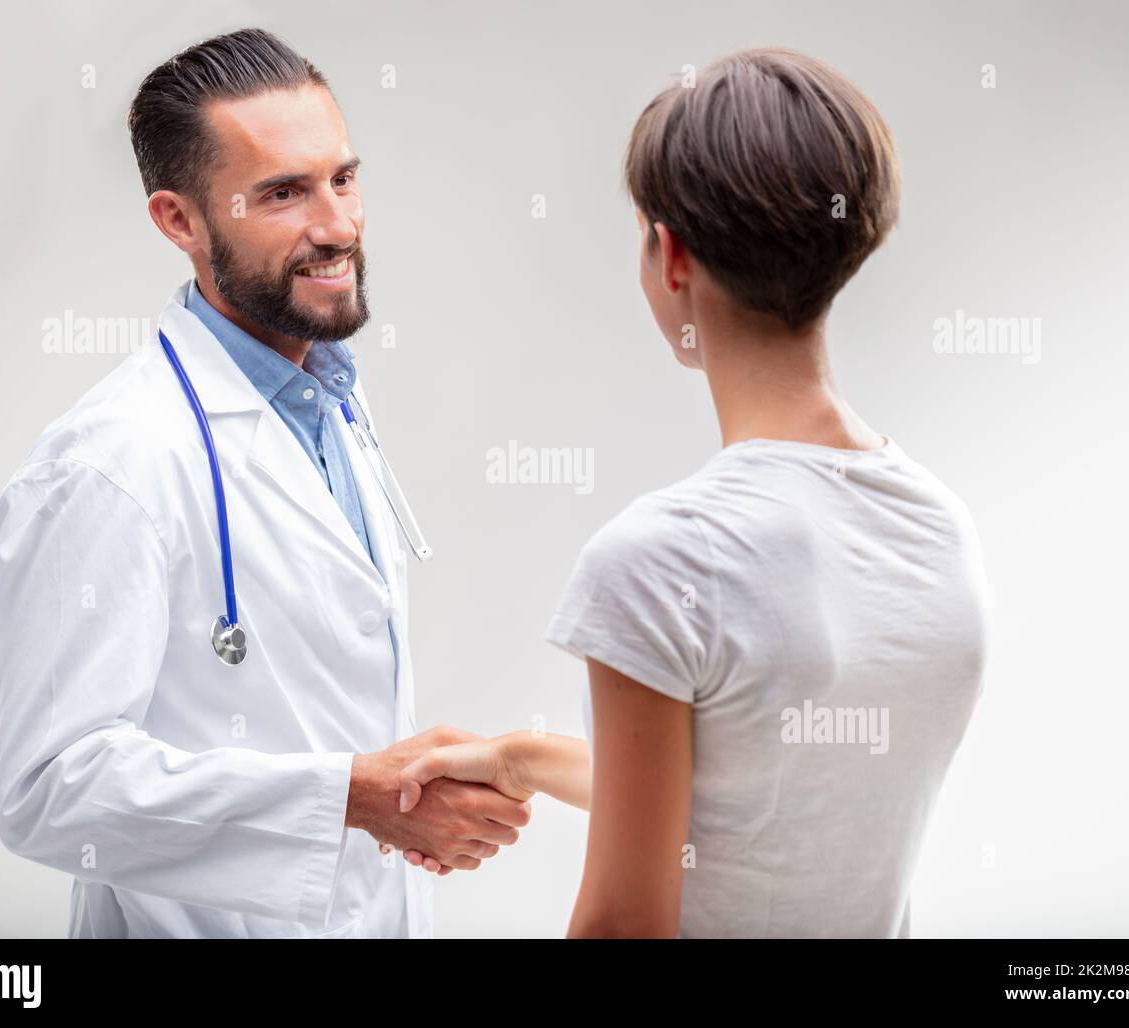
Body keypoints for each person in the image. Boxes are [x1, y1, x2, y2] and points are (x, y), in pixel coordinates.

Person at [396, 47, 990, 939]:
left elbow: (623, 925)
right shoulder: (938, 525)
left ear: (670, 255)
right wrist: (524, 759)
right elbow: (761, 796)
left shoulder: (660, 558)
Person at [0, 28, 528, 940]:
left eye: (343, 179)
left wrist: (392, 787)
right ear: (179, 220)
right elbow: (47, 793)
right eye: (282, 193)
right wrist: (350, 797)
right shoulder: (109, 463)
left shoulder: (328, 402)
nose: (338, 226)